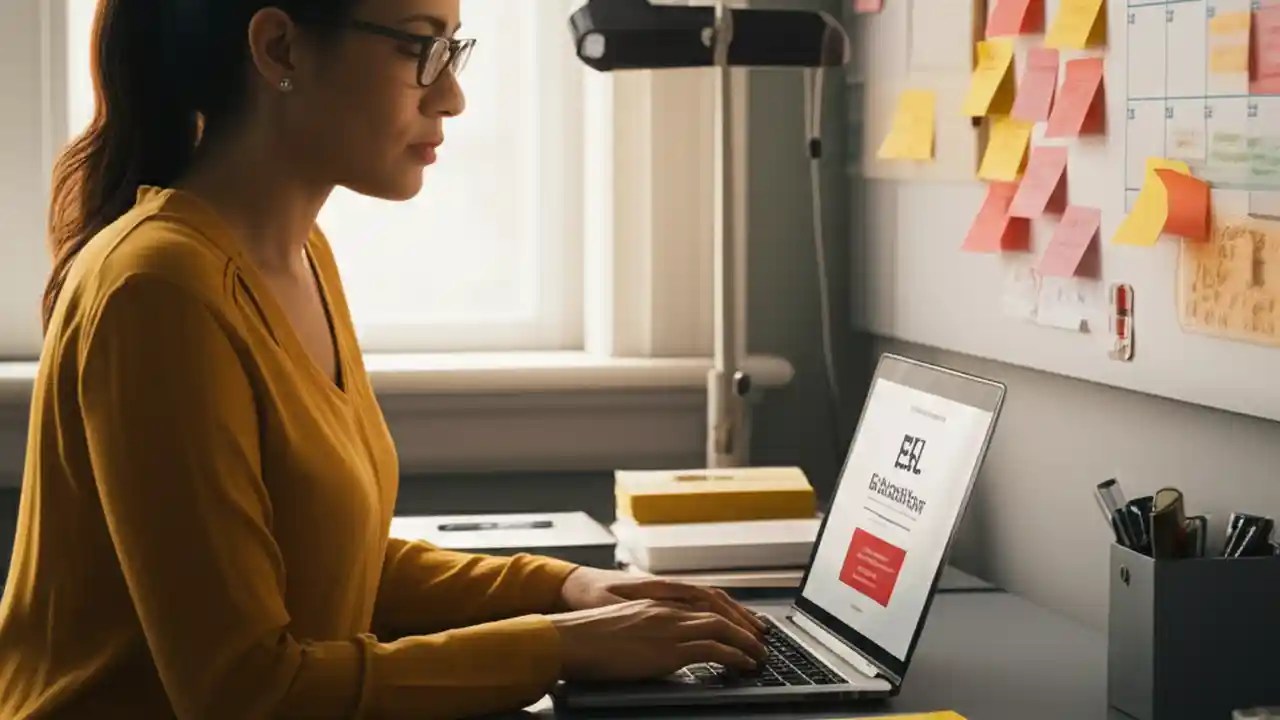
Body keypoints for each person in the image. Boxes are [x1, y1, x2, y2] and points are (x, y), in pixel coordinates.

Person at [0, 1, 770, 717]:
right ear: (280, 48)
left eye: (454, 49)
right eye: (423, 50)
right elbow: (242, 691)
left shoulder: (298, 256)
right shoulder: (158, 290)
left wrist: (570, 590)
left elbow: (334, 565)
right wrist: (558, 648)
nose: (453, 98)